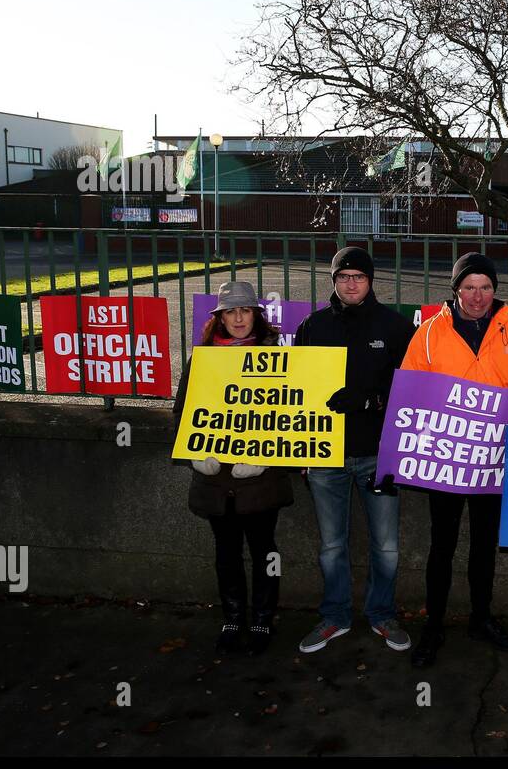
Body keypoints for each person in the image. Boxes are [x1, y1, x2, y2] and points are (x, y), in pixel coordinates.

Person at [400, 252, 508, 668]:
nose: (478, 297)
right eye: (469, 288)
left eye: (486, 287)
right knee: (442, 544)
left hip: (492, 456)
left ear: (496, 290)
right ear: (456, 290)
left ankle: (481, 617)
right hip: (446, 457)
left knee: (483, 545)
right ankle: (434, 625)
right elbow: (412, 388)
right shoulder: (429, 333)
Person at [293, 247, 416, 655]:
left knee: (386, 546)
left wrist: (370, 401)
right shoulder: (313, 326)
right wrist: (302, 449)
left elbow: (411, 389)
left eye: (358, 276)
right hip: (325, 456)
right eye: (343, 276)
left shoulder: (395, 327)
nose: (350, 283)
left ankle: (381, 614)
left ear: (370, 280)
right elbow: (296, 389)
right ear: (333, 281)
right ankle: (335, 617)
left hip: (378, 455)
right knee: (331, 545)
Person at [173, 280, 292, 656]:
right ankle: (233, 616)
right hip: (216, 477)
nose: (238, 318)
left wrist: (267, 456)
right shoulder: (203, 357)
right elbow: (182, 410)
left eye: (245, 311)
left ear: (256, 314)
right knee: (225, 551)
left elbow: (293, 413)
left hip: (261, 479)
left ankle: (262, 617)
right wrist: (194, 450)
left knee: (264, 550)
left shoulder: (276, 354)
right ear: (220, 317)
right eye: (230, 311)